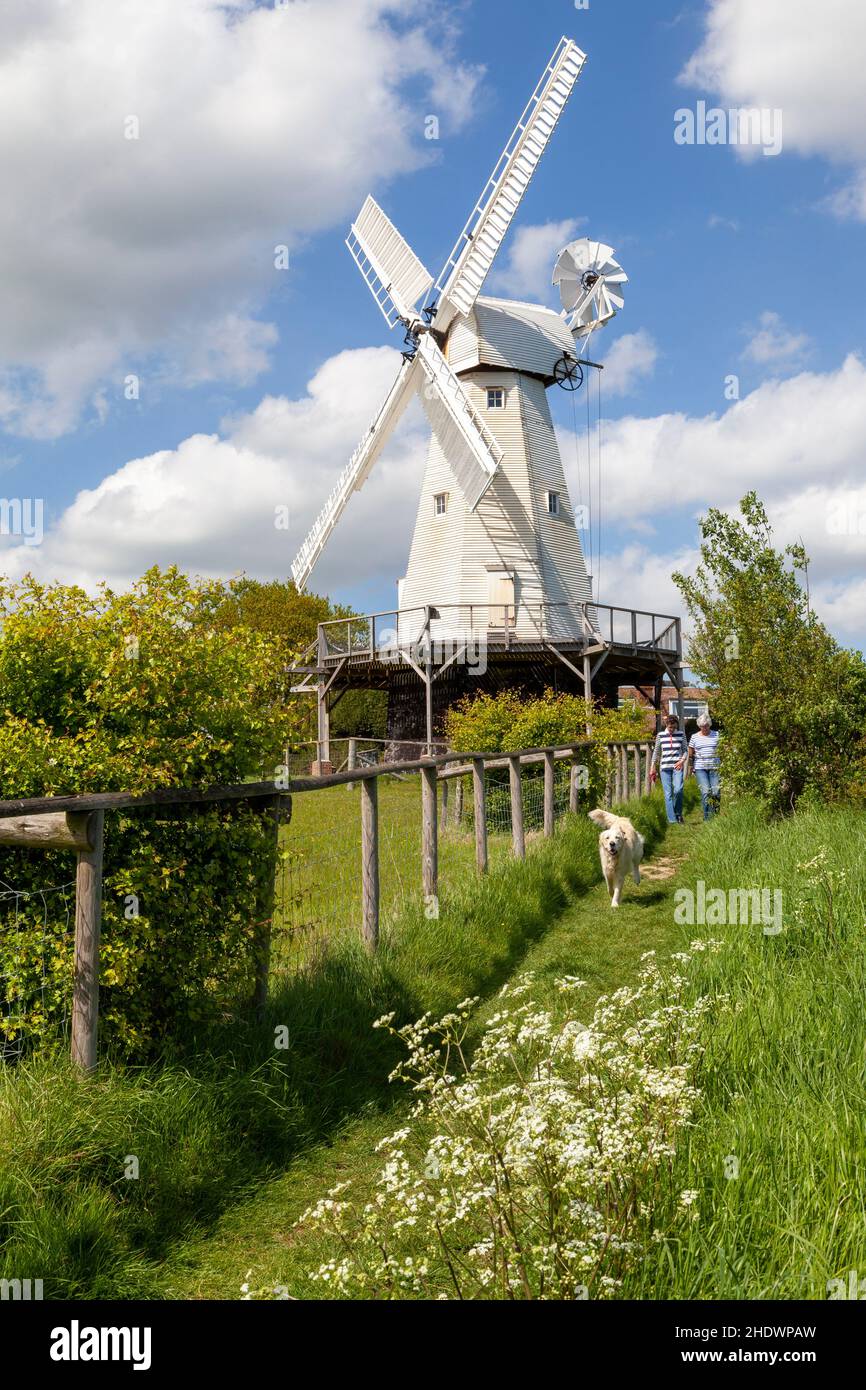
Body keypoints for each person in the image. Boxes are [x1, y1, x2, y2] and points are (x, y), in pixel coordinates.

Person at [650, 712, 688, 824]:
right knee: (668, 794)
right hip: (664, 768)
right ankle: (672, 820)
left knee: (678, 789)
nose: (672, 729)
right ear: (666, 725)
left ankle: (678, 814)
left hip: (677, 766)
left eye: (674, 727)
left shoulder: (681, 734)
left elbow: (685, 750)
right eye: (670, 727)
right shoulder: (660, 735)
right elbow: (656, 752)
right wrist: (652, 766)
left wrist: (682, 761)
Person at [689, 712, 721, 820]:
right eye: (702, 726)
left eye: (706, 726)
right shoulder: (694, 737)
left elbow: (723, 749)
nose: (705, 728)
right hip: (700, 768)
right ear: (699, 726)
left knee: (715, 792)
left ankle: (715, 815)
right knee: (706, 791)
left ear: (709, 725)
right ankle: (707, 817)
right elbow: (690, 752)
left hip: (715, 767)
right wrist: (691, 765)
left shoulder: (716, 735)